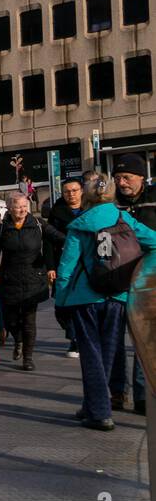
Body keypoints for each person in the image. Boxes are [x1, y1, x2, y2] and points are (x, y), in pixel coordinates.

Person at [54, 171, 156, 430]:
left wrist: (61, 302)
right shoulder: (124, 219)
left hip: (85, 298)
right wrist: (139, 276)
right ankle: (93, 406)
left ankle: (99, 412)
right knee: (108, 353)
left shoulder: (80, 224)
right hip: (118, 296)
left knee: (91, 355)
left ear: (87, 195)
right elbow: (154, 242)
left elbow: (66, 268)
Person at [0, 191, 62, 370]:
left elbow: (57, 236)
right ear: (9, 208)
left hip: (33, 277)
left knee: (29, 320)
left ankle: (28, 358)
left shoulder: (38, 224)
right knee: (11, 320)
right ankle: (18, 340)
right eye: (18, 207)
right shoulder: (2, 228)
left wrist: (75, 240)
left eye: (25, 206)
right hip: (10, 278)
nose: (22, 210)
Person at [113, 153, 153, 415]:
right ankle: (117, 393)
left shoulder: (153, 201)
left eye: (127, 177)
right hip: (116, 282)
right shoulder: (111, 205)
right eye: (117, 178)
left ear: (141, 177)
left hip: (149, 282)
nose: (122, 183)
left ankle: (142, 395)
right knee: (115, 341)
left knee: (144, 340)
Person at [44, 177, 85, 358]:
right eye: (67, 191)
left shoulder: (90, 209)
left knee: (83, 304)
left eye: (74, 190)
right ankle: (72, 333)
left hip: (86, 264)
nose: (71, 194)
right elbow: (48, 241)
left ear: (82, 191)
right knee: (61, 306)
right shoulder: (57, 211)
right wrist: (50, 266)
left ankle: (77, 340)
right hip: (63, 263)